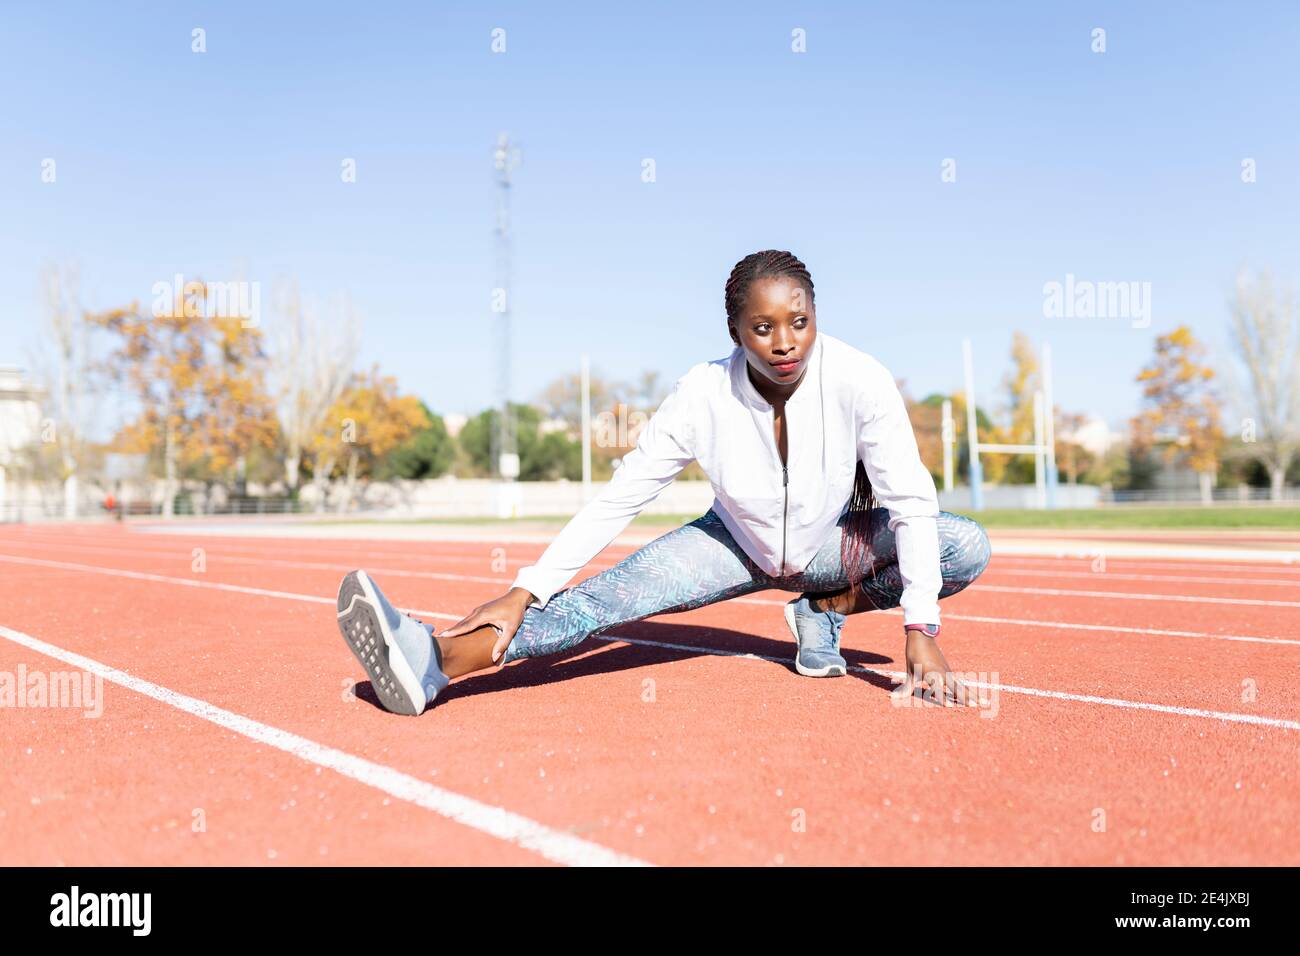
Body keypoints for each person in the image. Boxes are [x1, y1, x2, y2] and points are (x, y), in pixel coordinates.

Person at [335, 250, 991, 716]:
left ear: (816, 315)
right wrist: (525, 587)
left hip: (827, 548)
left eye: (800, 321)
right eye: (763, 328)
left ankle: (822, 608)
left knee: (962, 544)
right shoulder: (701, 394)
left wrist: (920, 628)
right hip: (731, 544)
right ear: (736, 331)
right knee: (600, 605)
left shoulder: (859, 378)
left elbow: (909, 501)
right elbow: (621, 497)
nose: (786, 342)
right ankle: (434, 660)